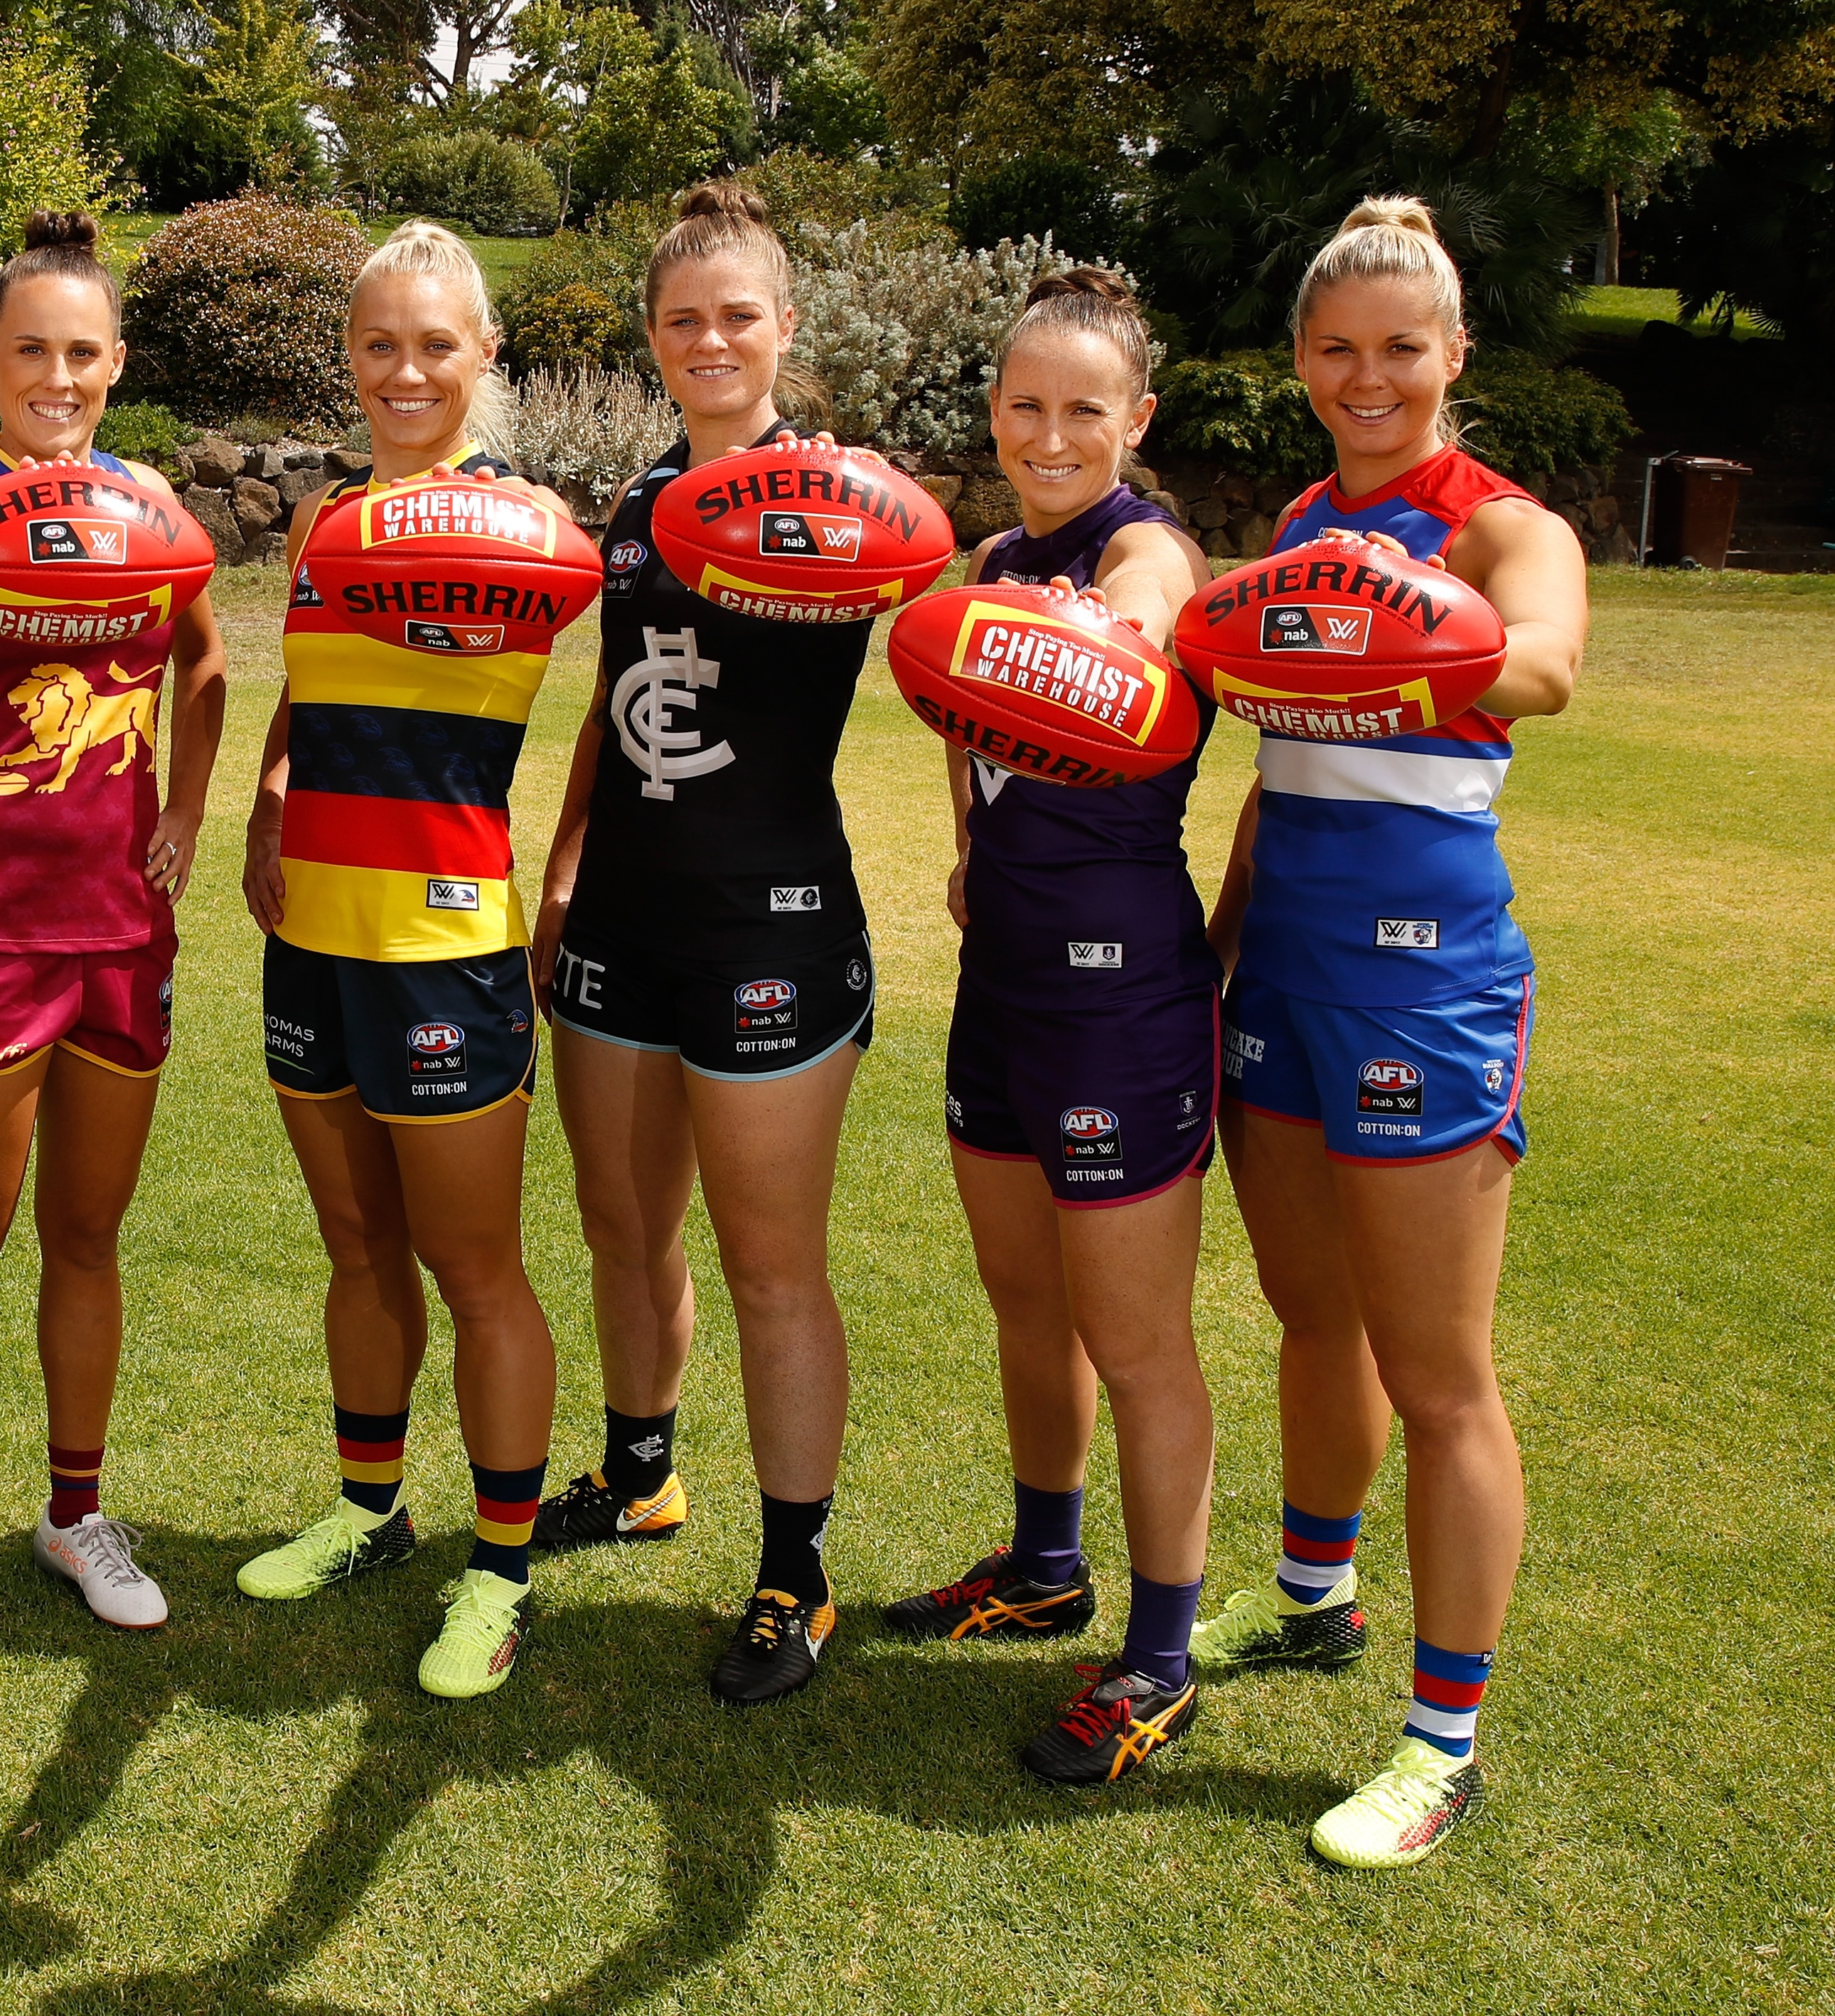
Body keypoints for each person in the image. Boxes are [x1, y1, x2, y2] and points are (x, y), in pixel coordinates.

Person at [1194, 198, 1585, 1867]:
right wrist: (1219, 942)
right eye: (1340, 350)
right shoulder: (1299, 520)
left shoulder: (1502, 525)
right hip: (1281, 961)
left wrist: (1405, 614)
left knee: (1439, 1373)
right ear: (1302, 360)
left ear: (1455, 353)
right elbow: (1277, 768)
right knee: (1312, 1314)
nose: (1371, 378)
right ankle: (1313, 1591)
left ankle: (1443, 1743)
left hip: (1424, 980)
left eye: (1402, 350)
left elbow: (1546, 668)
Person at [520, 183, 873, 1707]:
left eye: (738, 315)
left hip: (771, 924)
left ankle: (797, 1575)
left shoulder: (842, 500)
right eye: (683, 319)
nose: (710, 340)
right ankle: (640, 1472)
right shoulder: (637, 501)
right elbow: (617, 708)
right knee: (621, 1222)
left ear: (783, 327)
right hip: (625, 914)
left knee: (770, 1266)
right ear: (654, 338)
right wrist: (561, 871)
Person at [873, 269, 1222, 1784]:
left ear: (1135, 416)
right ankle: (1043, 1564)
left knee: (1135, 1341)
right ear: (995, 410)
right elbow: (964, 714)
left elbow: (1125, 638)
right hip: (1005, 979)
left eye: (1085, 408)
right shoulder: (994, 556)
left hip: (1117, 991)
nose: (1052, 434)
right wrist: (968, 844)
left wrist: (1077, 625)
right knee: (1024, 1300)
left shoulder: (1147, 549)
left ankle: (1160, 1657)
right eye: (1026, 405)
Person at [0, 213, 228, 1688]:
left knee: (88, 1239)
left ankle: (76, 1517)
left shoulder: (155, 502)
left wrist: (187, 810)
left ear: (118, 362)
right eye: (31, 351)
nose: (58, 378)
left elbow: (204, 659)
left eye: (83, 353)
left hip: (118, 930)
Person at [233, 220, 570, 1701]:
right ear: (351, 355)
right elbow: (308, 690)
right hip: (313, 935)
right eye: (380, 343)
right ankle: (371, 1510)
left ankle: (500, 1570)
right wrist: (263, 800)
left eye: (437, 343)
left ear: (485, 352)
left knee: (474, 1268)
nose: (407, 370)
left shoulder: (521, 524)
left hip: (444, 946)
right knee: (357, 1247)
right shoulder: (325, 522)